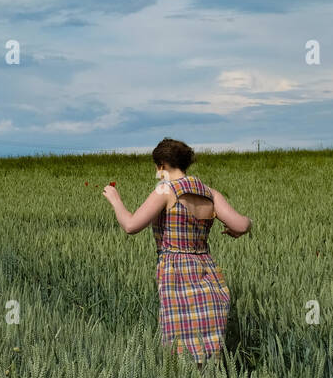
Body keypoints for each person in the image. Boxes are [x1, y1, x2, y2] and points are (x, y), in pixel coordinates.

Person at [103, 138, 252, 365]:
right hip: (207, 273)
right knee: (207, 347)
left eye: (156, 167)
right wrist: (241, 226)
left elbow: (131, 225)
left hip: (176, 274)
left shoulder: (165, 189)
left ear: (162, 164)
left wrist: (115, 200)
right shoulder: (210, 193)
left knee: (179, 351)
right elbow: (241, 225)